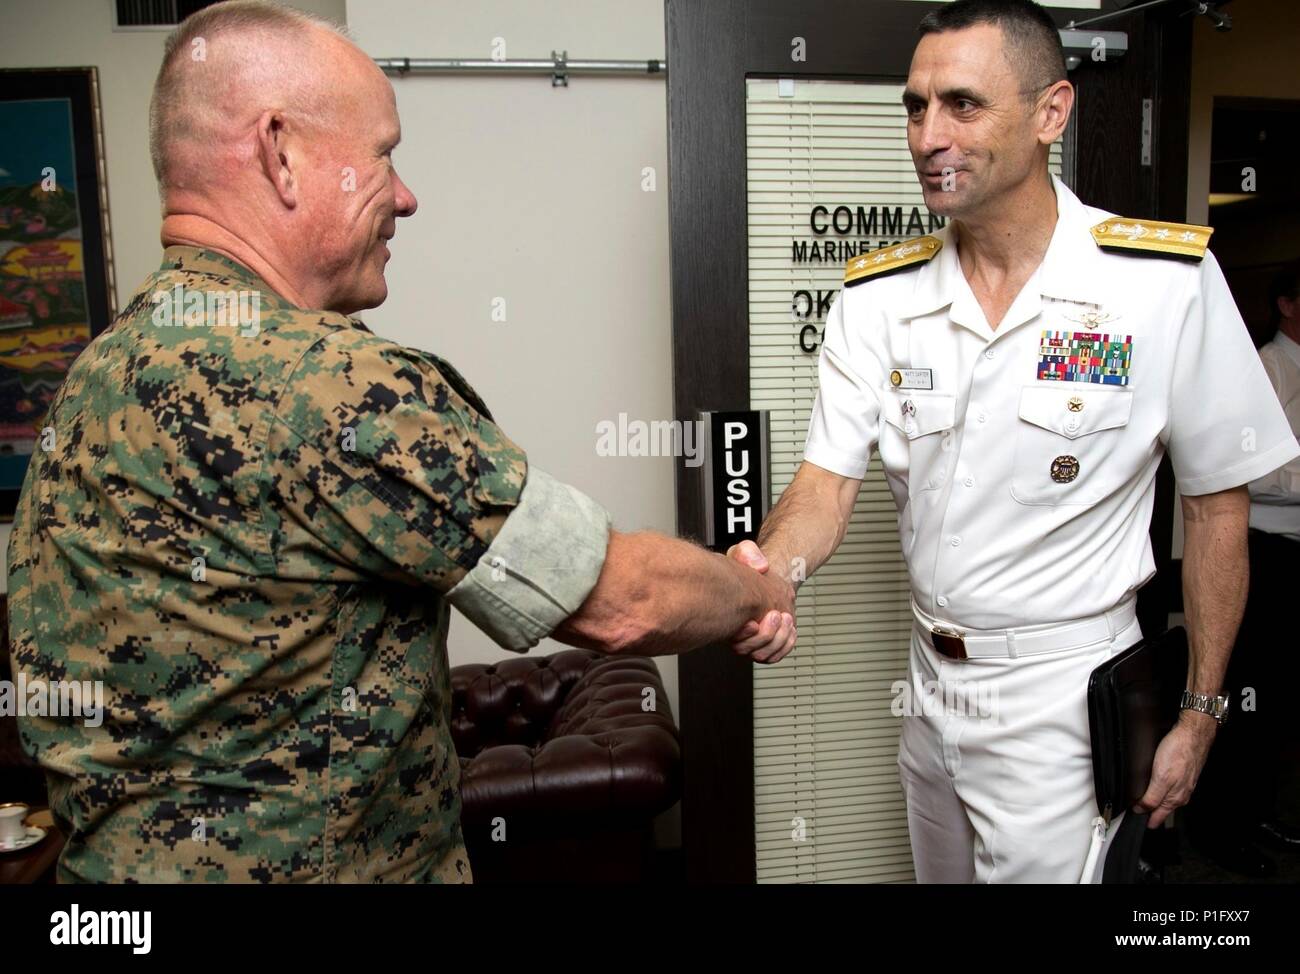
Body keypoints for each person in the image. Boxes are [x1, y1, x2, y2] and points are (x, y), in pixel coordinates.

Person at [6, 1, 795, 883]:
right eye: (383, 154)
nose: (407, 195)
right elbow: (618, 600)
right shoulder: (326, 383)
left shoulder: (95, 377)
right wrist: (754, 587)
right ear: (281, 151)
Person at [728, 0, 1300, 883]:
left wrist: (1201, 715)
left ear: (1050, 114)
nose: (928, 135)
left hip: (1065, 701)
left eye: (962, 104)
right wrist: (771, 577)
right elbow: (824, 487)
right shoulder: (878, 299)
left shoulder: (1163, 285)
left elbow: (1215, 506)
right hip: (929, 690)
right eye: (915, 108)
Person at [1184, 261, 1300, 876]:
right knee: (1242, 696)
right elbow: (1248, 473)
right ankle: (1217, 831)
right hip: (1267, 557)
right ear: (1286, 304)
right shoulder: (1269, 366)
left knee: (1277, 702)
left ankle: (1258, 816)